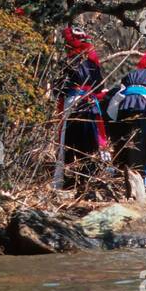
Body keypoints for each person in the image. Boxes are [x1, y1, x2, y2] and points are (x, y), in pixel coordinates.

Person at [105, 51, 146, 193]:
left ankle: (119, 182)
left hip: (123, 109)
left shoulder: (130, 75)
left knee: (125, 145)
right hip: (144, 109)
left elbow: (117, 92)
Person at [52, 19, 105, 190]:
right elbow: (100, 87)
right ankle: (90, 179)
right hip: (89, 104)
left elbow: (58, 91)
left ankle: (67, 181)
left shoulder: (65, 64)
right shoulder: (91, 63)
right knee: (89, 143)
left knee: (68, 143)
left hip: (70, 105)